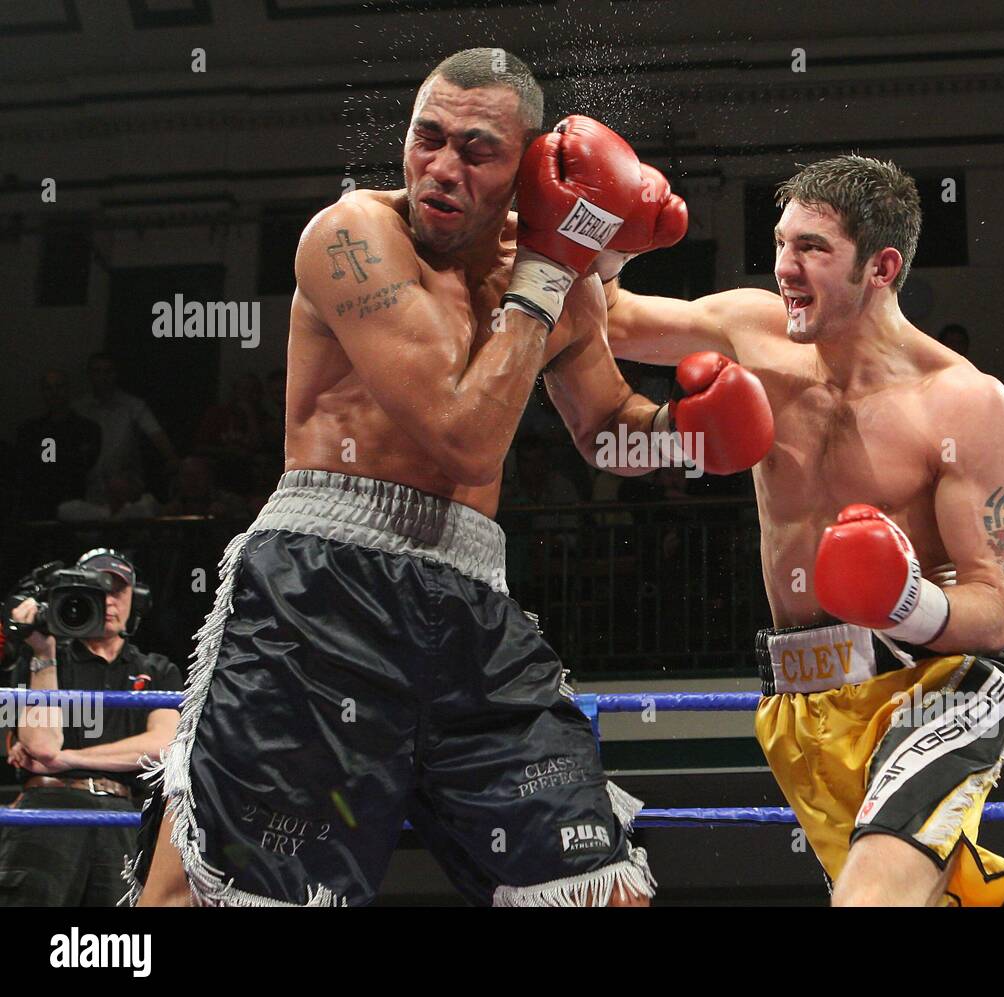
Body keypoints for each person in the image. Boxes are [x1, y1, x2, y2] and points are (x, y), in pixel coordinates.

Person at [130, 48, 768, 908]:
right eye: (426, 138)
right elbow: (463, 434)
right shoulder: (353, 235)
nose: (441, 167)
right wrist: (548, 266)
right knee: (223, 897)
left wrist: (688, 438)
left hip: (470, 602)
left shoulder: (562, 285)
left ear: (528, 168)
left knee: (600, 891)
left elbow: (605, 428)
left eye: (477, 150)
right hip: (323, 587)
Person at [603, 155, 1004, 906]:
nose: (784, 268)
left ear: (882, 266)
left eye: (812, 249)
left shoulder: (963, 402)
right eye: (780, 243)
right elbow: (609, 320)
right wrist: (606, 231)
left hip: (932, 687)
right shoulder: (751, 331)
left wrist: (907, 602)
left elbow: (997, 606)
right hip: (800, 703)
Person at [0, 551, 181, 906]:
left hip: (122, 813)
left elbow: (163, 745)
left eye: (117, 590)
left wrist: (68, 758)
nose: (108, 601)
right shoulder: (44, 657)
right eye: (95, 590)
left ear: (136, 599)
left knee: (114, 949)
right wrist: (43, 648)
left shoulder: (156, 668)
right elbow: (41, 745)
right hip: (49, 805)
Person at [74, 353, 179, 504]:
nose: (102, 377)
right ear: (89, 375)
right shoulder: (80, 409)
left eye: (108, 371)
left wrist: (171, 457)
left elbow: (155, 433)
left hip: (125, 487)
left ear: (115, 374)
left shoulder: (133, 406)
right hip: (88, 487)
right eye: (97, 371)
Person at [13, 369, 101, 519]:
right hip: (38, 507)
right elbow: (26, 470)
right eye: (49, 388)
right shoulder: (29, 431)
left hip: (75, 506)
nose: (54, 392)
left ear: (68, 390)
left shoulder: (88, 429)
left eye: (59, 386)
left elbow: (82, 466)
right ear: (42, 392)